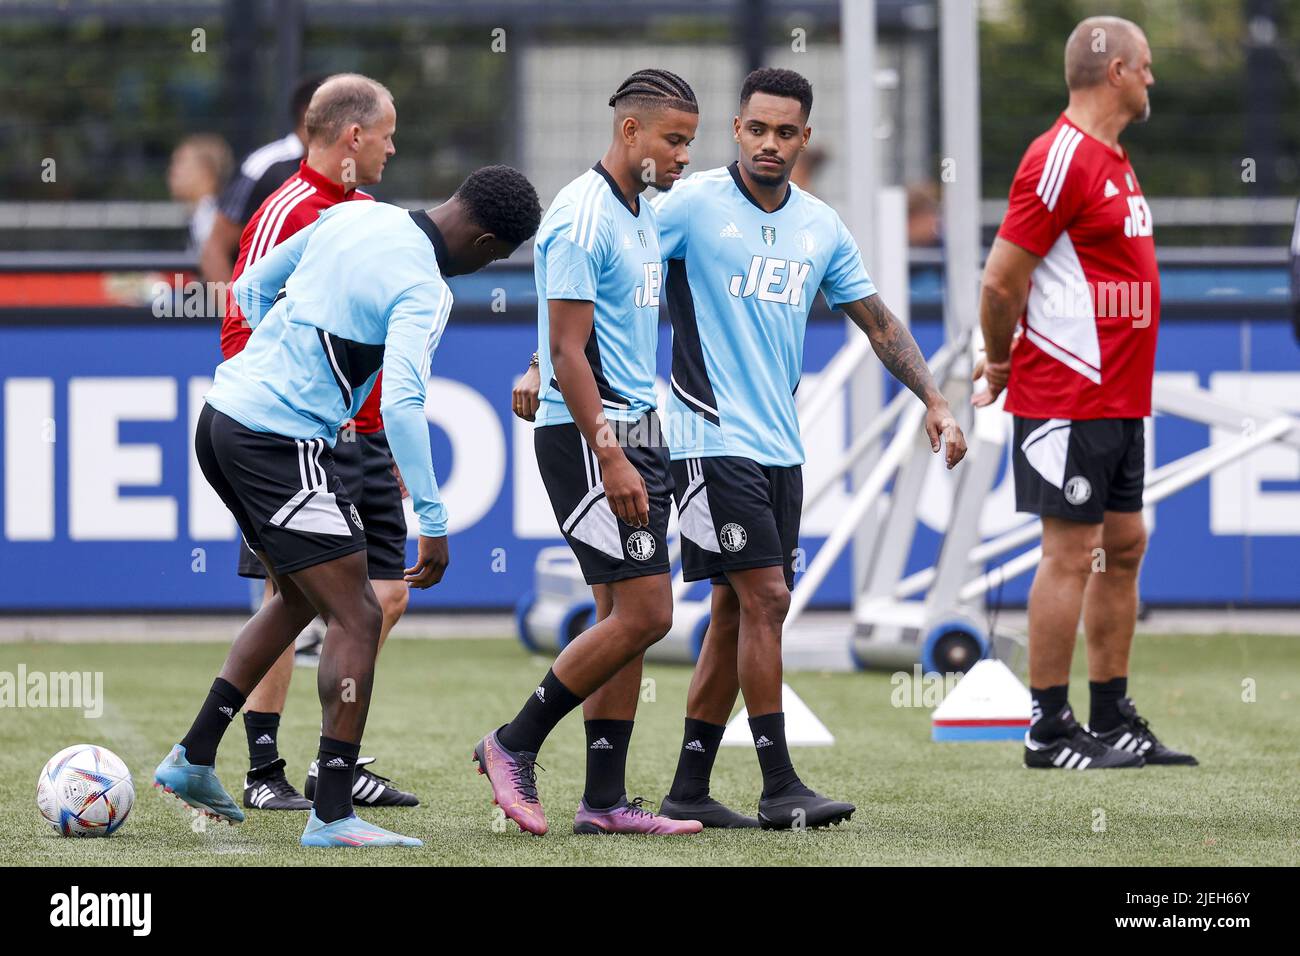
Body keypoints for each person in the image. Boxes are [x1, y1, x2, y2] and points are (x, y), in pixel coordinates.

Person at [515, 68, 967, 830]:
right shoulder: (683, 205)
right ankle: (779, 783)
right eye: (756, 129)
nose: (769, 143)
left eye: (785, 132)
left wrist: (934, 398)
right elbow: (591, 289)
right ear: (737, 129)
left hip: (779, 446)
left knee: (733, 610)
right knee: (768, 599)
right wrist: (538, 364)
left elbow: (878, 321)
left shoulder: (821, 224)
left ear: (804, 140)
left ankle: (687, 788)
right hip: (700, 438)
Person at [154, 165, 542, 848]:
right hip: (277, 438)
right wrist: (434, 520)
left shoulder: (358, 213)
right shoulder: (426, 287)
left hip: (220, 418)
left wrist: (293, 350)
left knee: (301, 598)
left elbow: (248, 287)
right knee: (359, 613)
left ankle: (194, 755)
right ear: (486, 244)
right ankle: (331, 811)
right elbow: (401, 403)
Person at [476, 69, 704, 837]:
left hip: (641, 429)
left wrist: (540, 361)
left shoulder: (645, 210)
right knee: (647, 612)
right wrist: (609, 453)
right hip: (592, 438)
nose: (682, 157)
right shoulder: (580, 215)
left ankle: (604, 801)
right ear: (630, 131)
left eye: (689, 143)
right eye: (674, 140)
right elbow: (574, 353)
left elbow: (563, 335)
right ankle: (512, 744)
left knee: (621, 613)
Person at [974, 16, 1196, 769]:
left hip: (1121, 397)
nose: (1152, 80)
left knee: (1124, 546)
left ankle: (1108, 714)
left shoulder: (1114, 158)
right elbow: (1002, 279)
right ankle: (1047, 725)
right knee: (1071, 553)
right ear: (1116, 73)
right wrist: (1001, 366)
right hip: (1067, 392)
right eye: (1146, 67)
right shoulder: (1059, 156)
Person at [217, 74, 417, 812]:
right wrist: (280, 425)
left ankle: (339, 757)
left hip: (356, 438)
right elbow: (241, 320)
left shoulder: (366, 211)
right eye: (388, 133)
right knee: (288, 594)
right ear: (353, 137)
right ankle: (262, 771)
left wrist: (381, 440)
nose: (395, 146)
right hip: (289, 433)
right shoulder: (288, 209)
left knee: (386, 595)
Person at [199, 75, 325, 287]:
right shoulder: (265, 167)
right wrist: (236, 316)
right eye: (342, 111)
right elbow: (214, 249)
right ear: (308, 114)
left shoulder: (352, 171)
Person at [166, 134, 233, 256]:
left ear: (206, 171)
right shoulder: (202, 214)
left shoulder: (211, 219)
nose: (172, 171)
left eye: (181, 163)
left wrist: (172, 276)